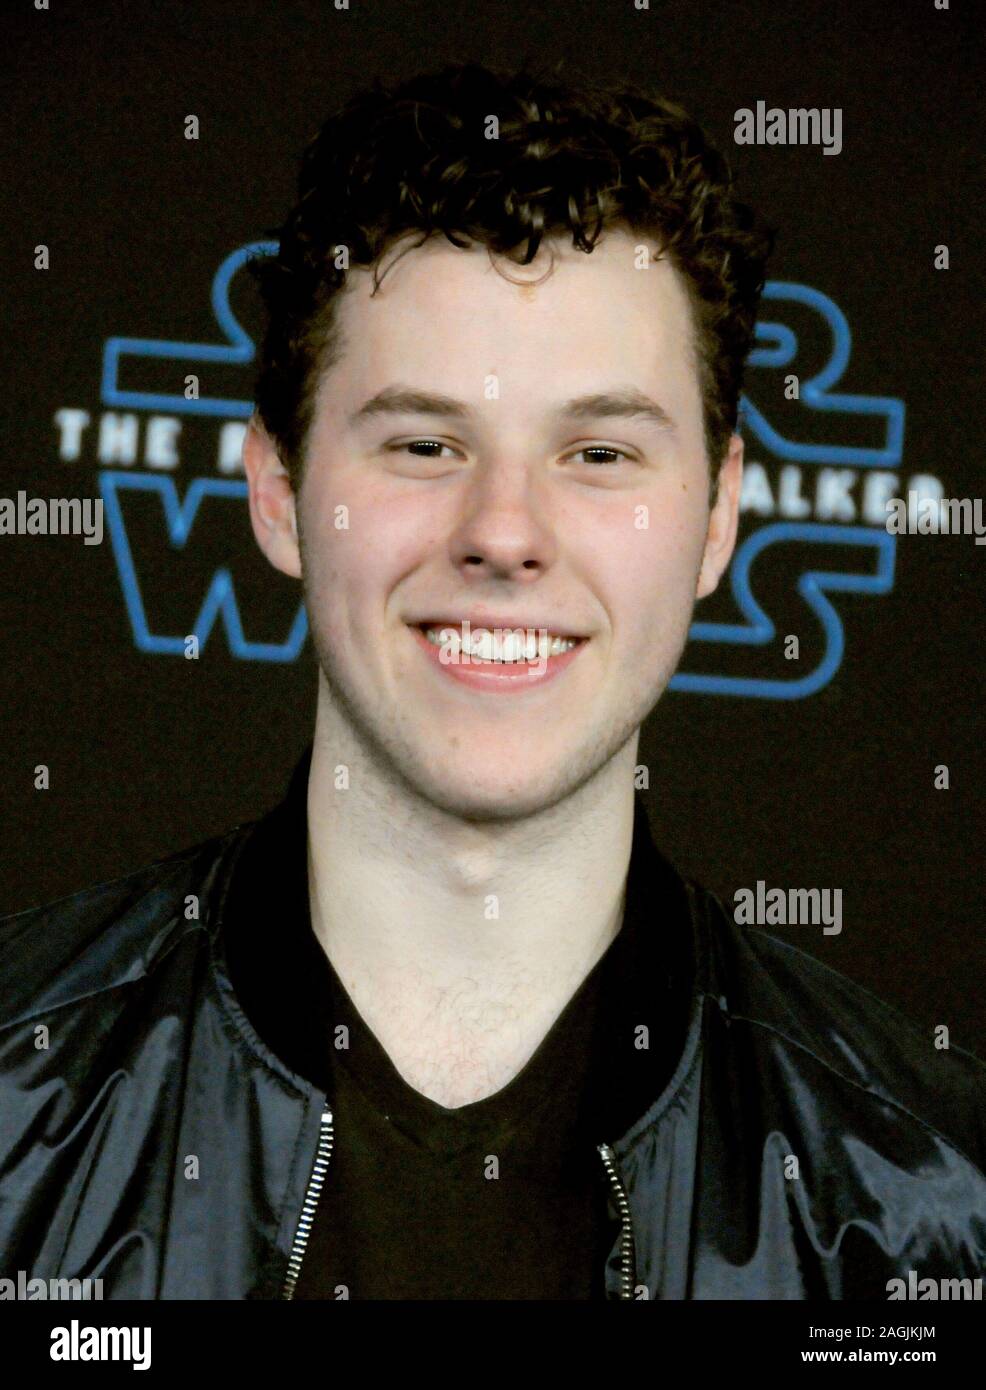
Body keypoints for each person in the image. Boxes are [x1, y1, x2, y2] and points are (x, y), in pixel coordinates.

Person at [1, 61, 983, 1301]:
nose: (504, 532)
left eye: (598, 451)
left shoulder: (933, 1196)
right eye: (423, 442)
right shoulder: (14, 1102)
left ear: (720, 516)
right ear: (277, 493)